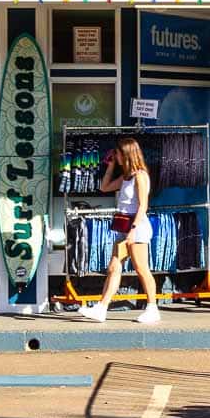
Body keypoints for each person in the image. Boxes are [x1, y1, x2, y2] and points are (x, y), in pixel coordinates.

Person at [77, 137, 161, 325]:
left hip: (136, 227)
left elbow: (143, 206)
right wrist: (110, 166)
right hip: (124, 226)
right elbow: (104, 187)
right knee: (114, 267)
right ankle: (101, 308)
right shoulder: (126, 177)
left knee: (141, 268)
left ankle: (152, 308)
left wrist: (133, 230)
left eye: (118, 154)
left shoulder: (140, 176)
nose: (116, 156)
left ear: (128, 154)